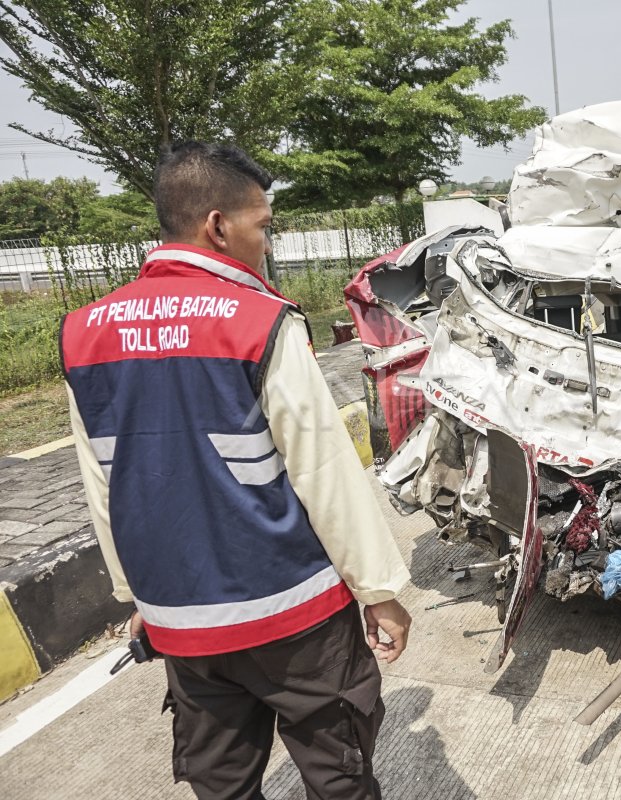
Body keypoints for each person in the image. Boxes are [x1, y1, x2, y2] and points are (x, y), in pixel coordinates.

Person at [60, 141, 412, 800]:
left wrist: (139, 598)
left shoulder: (82, 333)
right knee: (338, 777)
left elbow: (104, 483)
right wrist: (379, 589)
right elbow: (325, 472)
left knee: (221, 784)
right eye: (264, 226)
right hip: (294, 617)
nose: (268, 245)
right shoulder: (260, 322)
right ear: (218, 226)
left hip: (182, 621)